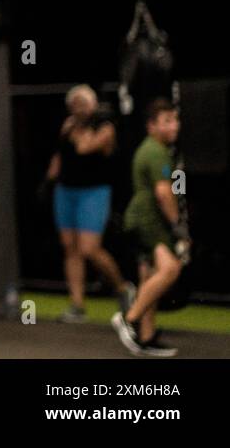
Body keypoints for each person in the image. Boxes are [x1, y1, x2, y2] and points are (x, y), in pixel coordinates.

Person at [42, 84, 134, 322]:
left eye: (83, 103)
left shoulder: (105, 129)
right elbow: (60, 154)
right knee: (70, 248)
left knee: (89, 249)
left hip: (94, 193)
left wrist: (75, 129)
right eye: (74, 104)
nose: (78, 108)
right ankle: (77, 305)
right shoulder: (67, 127)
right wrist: (50, 177)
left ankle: (123, 289)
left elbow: (84, 147)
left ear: (93, 105)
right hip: (65, 192)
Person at [112, 98, 186, 356]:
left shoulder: (154, 149)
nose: (174, 126)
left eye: (175, 120)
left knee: (149, 278)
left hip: (139, 220)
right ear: (151, 126)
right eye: (166, 121)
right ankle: (129, 319)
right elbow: (164, 193)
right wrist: (178, 228)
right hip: (147, 222)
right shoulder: (155, 151)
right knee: (170, 270)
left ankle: (146, 337)